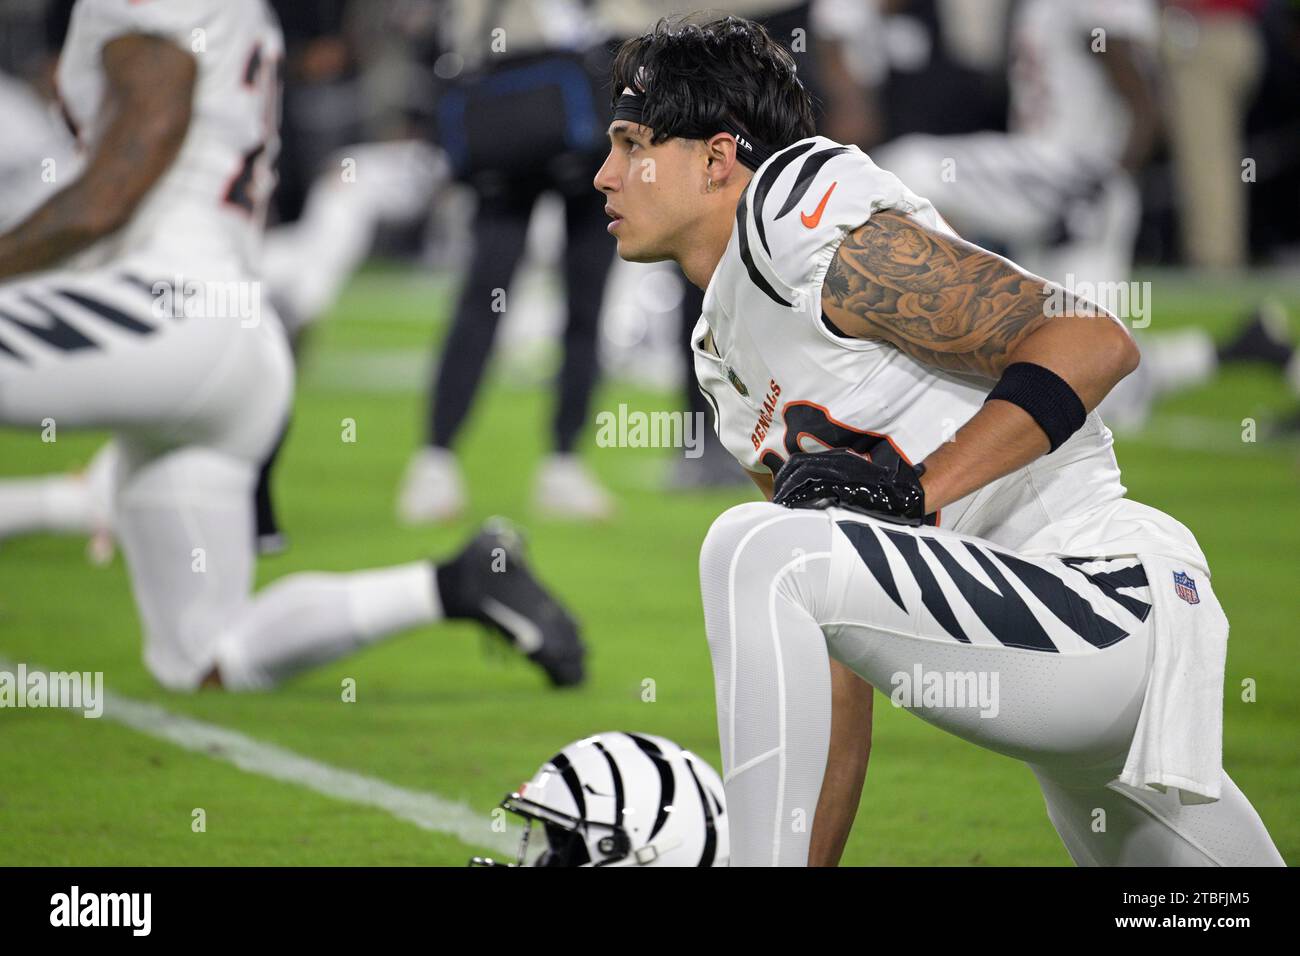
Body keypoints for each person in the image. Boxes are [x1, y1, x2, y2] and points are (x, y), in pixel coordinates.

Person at [593, 14, 1284, 865]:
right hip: (1052, 657)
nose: (604, 174)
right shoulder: (722, 355)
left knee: (747, 545)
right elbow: (830, 679)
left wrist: (918, 489)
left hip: (1103, 594)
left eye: (632, 144)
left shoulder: (791, 223)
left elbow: (1091, 342)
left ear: (716, 158)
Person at [0, 0, 584, 691]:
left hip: (169, 308)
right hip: (233, 343)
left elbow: (109, 194)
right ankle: (449, 585)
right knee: (205, 657)